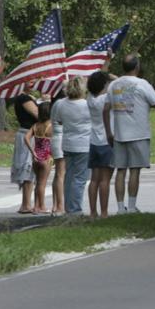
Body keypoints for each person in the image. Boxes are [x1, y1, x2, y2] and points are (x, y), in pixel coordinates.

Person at [105, 53, 155, 213]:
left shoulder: (114, 85)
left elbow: (106, 108)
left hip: (119, 133)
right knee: (135, 170)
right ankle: (131, 205)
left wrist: (109, 131)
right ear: (137, 67)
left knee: (120, 170)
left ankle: (120, 208)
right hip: (139, 132)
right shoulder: (142, 84)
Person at [53, 76, 92, 216]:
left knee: (69, 176)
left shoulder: (60, 104)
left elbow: (57, 121)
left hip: (67, 143)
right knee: (80, 178)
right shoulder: (87, 104)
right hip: (84, 144)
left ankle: (69, 207)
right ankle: (75, 209)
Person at [86, 69, 116, 218]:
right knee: (105, 180)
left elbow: (100, 77)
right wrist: (109, 75)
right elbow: (120, 81)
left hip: (93, 141)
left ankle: (93, 212)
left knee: (94, 179)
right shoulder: (107, 98)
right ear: (104, 84)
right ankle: (104, 212)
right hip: (106, 140)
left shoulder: (90, 98)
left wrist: (105, 66)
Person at [10, 90, 40, 213]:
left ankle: (26, 204)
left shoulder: (30, 97)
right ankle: (26, 204)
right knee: (28, 167)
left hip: (31, 134)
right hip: (27, 135)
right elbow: (38, 114)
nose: (32, 81)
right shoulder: (24, 98)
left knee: (30, 169)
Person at [25, 103, 54, 214]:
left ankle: (36, 206)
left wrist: (32, 152)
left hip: (36, 157)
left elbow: (26, 137)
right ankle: (42, 206)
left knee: (37, 183)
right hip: (46, 158)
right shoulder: (50, 126)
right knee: (42, 184)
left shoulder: (35, 125)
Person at [49, 89, 66, 216]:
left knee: (57, 174)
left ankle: (55, 204)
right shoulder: (61, 104)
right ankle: (60, 205)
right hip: (61, 138)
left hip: (55, 138)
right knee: (61, 174)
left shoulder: (54, 104)